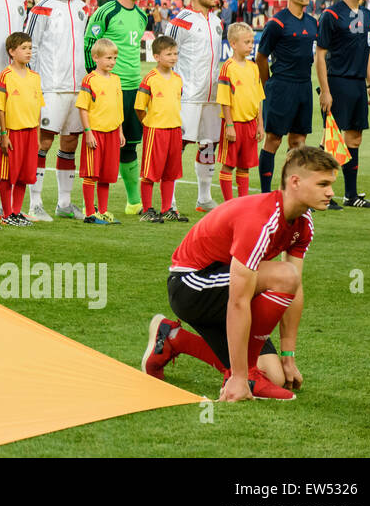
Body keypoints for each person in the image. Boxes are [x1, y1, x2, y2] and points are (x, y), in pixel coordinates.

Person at [142, 146, 339, 402]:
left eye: (332, 184)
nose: (331, 192)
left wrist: (289, 358)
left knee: (276, 376)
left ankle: (173, 338)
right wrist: (239, 377)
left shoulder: (303, 223)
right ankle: (244, 375)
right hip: (190, 285)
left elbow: (294, 290)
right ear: (295, 182)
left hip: (223, 286)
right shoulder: (260, 218)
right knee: (284, 275)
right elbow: (238, 298)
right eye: (323, 184)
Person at [25, 0, 87, 222]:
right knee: (44, 142)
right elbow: (31, 46)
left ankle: (64, 202)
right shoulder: (42, 7)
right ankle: (35, 203)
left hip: (76, 85)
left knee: (70, 142)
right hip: (50, 86)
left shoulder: (83, 7)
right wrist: (33, 84)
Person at [83, 0, 150, 214]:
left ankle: (133, 202)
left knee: (131, 144)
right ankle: (89, 204)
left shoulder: (142, 16)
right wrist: (96, 81)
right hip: (108, 90)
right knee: (102, 144)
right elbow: (90, 44)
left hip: (134, 87)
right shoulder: (105, 12)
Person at [315, 0, 370, 208]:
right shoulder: (331, 15)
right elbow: (320, 56)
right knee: (331, 139)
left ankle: (350, 196)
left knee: (355, 137)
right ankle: (320, 193)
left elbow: (366, 52)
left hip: (358, 84)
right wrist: (326, 90)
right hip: (337, 82)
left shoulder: (366, 14)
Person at [164, 0, 225, 212]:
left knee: (209, 144)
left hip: (212, 96)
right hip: (187, 95)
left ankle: (204, 197)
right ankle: (170, 200)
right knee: (178, 145)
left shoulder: (217, 21)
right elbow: (165, 52)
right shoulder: (181, 21)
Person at [255, 0, 319, 192]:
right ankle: (265, 193)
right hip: (282, 85)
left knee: (299, 141)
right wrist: (269, 85)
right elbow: (261, 57)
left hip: (304, 86)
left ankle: (291, 191)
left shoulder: (312, 22)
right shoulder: (276, 23)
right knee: (273, 139)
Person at [0, 32, 45, 226]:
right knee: (8, 175)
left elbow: (38, 107)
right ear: (12, 52)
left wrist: (38, 134)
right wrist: (4, 134)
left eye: (30, 48)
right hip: (12, 133)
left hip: (31, 132)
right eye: (24, 48)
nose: (28, 52)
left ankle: (16, 212)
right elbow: (0, 107)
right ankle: (6, 214)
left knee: (24, 175)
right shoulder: (5, 76)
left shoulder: (35, 77)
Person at [135, 36, 186, 222]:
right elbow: (139, 107)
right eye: (168, 54)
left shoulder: (178, 79)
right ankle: (147, 210)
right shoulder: (150, 79)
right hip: (156, 130)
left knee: (170, 173)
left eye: (175, 53)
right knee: (150, 173)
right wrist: (148, 123)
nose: (173, 57)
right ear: (156, 56)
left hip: (174, 129)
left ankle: (167, 209)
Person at [76, 38, 125, 224]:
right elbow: (83, 108)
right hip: (95, 133)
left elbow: (118, 107)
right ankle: (90, 213)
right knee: (91, 173)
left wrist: (120, 130)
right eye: (108, 58)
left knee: (106, 174)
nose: (112, 62)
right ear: (95, 57)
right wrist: (88, 132)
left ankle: (103, 211)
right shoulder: (90, 80)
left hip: (112, 132)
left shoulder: (116, 80)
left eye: (114, 58)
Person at [215, 22, 265, 201]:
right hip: (233, 124)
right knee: (229, 165)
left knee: (245, 166)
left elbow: (259, 97)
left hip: (250, 124)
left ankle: (242, 202)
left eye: (252, 42)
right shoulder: (227, 68)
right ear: (233, 44)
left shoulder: (253, 67)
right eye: (247, 42)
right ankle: (228, 203)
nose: (251, 46)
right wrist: (229, 125)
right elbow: (224, 99)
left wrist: (260, 124)